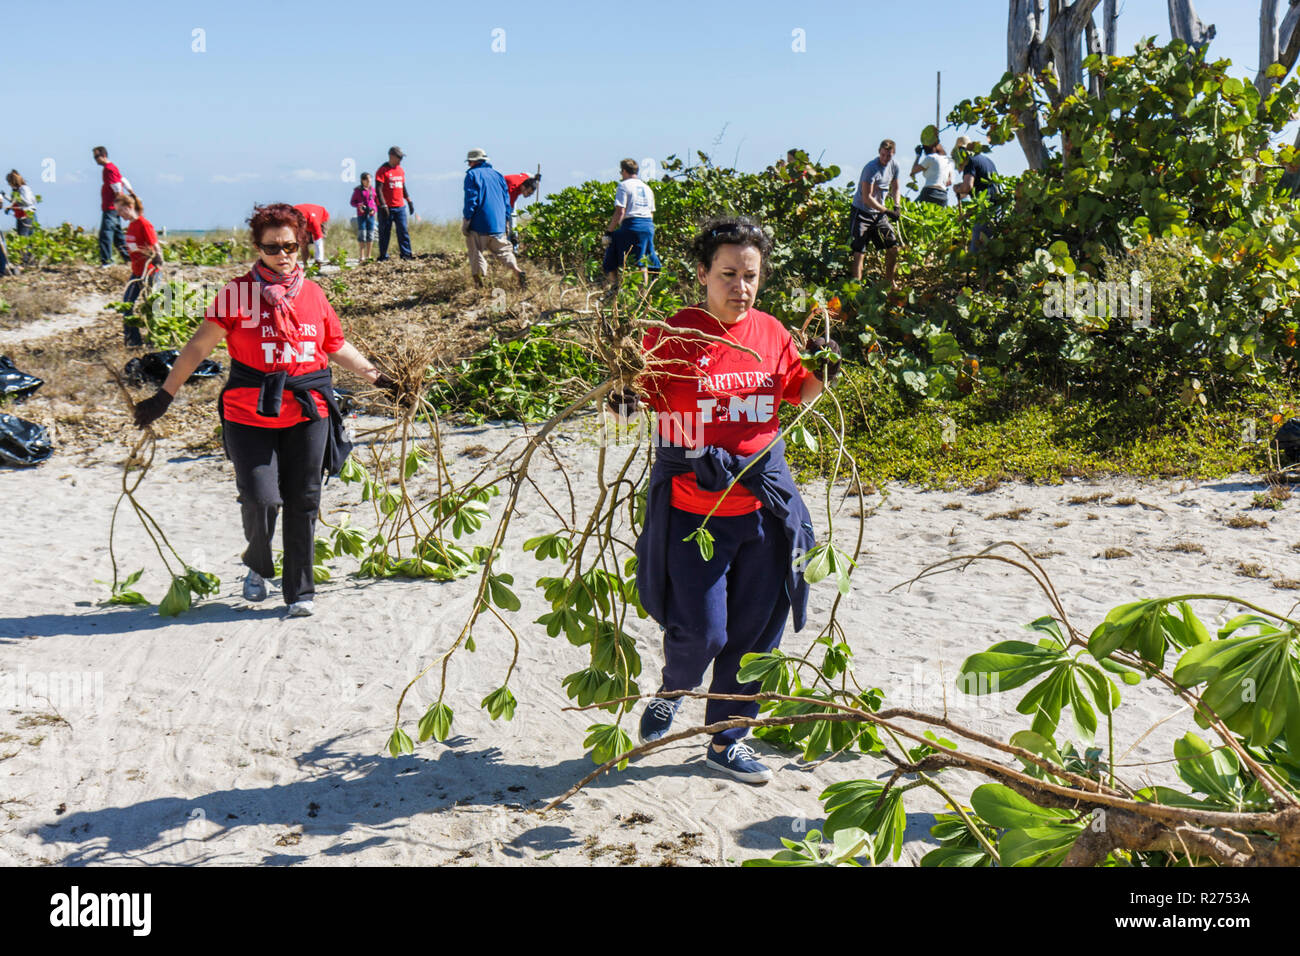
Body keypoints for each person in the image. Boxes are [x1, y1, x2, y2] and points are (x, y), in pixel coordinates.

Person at [615, 215, 840, 785]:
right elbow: (631, 411)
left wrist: (827, 367)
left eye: (750, 275)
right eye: (728, 274)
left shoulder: (772, 332)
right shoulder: (672, 335)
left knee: (753, 636)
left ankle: (727, 740)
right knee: (702, 632)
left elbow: (801, 393)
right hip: (696, 512)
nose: (741, 287)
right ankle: (674, 690)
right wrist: (624, 396)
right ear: (702, 274)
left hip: (764, 507)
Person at [131, 203, 395, 617]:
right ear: (258, 248)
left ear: (300, 244)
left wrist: (381, 379)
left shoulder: (313, 294)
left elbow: (334, 345)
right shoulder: (238, 294)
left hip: (308, 411)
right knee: (261, 499)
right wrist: (165, 395)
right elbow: (198, 347)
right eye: (272, 247)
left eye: (290, 246)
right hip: (249, 413)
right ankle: (258, 563)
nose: (282, 254)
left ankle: (300, 593)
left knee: (304, 500)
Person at [462, 148, 526, 289]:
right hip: (498, 224)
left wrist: (466, 221)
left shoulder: (471, 175)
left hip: (479, 224)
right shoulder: (498, 175)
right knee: (504, 252)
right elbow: (507, 201)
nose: (469, 165)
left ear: (474, 162)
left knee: (475, 251)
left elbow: (471, 200)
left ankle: (479, 284)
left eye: (470, 162)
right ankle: (517, 270)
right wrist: (506, 221)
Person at [849, 140, 901, 285]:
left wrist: (897, 206)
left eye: (888, 156)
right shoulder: (871, 168)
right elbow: (867, 198)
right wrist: (887, 211)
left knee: (893, 247)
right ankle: (856, 286)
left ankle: (889, 283)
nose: (885, 158)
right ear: (879, 152)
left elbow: (896, 188)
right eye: (883, 155)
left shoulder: (894, 166)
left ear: (893, 154)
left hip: (878, 214)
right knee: (859, 251)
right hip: (862, 212)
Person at [602, 158, 661, 285]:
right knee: (643, 259)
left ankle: (614, 287)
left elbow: (620, 212)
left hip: (633, 226)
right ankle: (646, 291)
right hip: (648, 227)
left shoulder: (623, 186)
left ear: (624, 171)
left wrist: (608, 232)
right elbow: (651, 213)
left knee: (611, 252)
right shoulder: (647, 188)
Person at [115, 192, 162, 348]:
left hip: (149, 272)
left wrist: (158, 260)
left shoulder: (144, 224)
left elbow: (155, 246)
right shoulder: (131, 225)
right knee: (127, 304)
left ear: (129, 207)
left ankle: (155, 340)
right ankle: (133, 342)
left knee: (153, 306)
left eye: (121, 210)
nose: (119, 214)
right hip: (136, 273)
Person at [953, 136, 1002, 252]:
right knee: (990, 251)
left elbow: (967, 187)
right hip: (997, 210)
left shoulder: (970, 161)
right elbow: (983, 191)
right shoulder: (986, 160)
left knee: (976, 252)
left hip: (985, 213)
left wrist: (958, 188)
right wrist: (966, 215)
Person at [375, 147, 415, 261]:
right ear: (391, 156)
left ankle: (406, 254)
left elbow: (403, 187)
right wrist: (383, 205)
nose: (400, 160)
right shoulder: (382, 170)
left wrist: (409, 201)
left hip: (400, 207)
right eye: (399, 157)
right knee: (385, 232)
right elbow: (378, 189)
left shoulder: (400, 170)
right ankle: (383, 256)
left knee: (403, 231)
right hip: (386, 208)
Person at [93, 146, 131, 266]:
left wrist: (119, 204)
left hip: (111, 208)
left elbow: (117, 187)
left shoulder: (109, 169)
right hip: (113, 207)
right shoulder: (110, 168)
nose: (96, 160)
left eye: (97, 157)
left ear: (104, 155)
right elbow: (123, 181)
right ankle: (129, 259)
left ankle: (107, 260)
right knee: (118, 236)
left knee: (106, 234)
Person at [502, 170, 541, 251]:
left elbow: (528, 174)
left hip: (510, 197)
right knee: (508, 223)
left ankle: (515, 248)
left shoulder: (527, 179)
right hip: (501, 195)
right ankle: (509, 247)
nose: (529, 195)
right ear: (523, 187)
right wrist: (507, 223)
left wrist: (536, 177)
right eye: (528, 193)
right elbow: (507, 210)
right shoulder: (512, 190)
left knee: (513, 226)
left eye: (531, 194)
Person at [910, 142, 953, 206]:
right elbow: (949, 182)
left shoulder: (930, 157)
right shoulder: (948, 161)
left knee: (912, 207)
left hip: (929, 192)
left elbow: (914, 170)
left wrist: (918, 155)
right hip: (943, 195)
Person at [350, 173, 379, 262]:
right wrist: (359, 206)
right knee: (362, 235)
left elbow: (377, 202)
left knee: (370, 234)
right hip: (361, 215)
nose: (369, 181)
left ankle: (368, 255)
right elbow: (352, 202)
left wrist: (374, 210)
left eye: (370, 179)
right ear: (362, 180)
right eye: (367, 179)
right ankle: (361, 256)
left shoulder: (373, 190)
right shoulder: (358, 191)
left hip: (371, 215)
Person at [5, 170, 36, 236]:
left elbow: (28, 202)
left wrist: (17, 199)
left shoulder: (24, 188)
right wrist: (5, 197)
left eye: (9, 182)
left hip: (26, 216)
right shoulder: (17, 190)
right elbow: (15, 201)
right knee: (22, 236)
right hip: (21, 216)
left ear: (13, 181)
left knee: (23, 236)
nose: (9, 184)